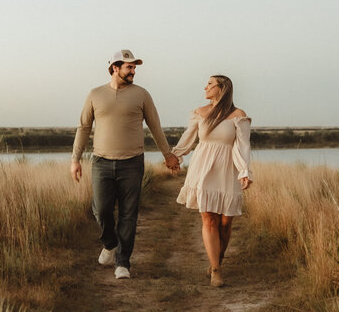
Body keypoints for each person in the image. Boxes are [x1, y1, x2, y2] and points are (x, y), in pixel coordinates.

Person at [71, 49, 181, 279]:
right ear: (115, 68)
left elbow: (155, 127)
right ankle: (110, 244)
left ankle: (123, 262)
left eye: (134, 67)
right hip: (101, 161)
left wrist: (167, 154)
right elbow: (83, 128)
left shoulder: (142, 95)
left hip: (132, 163)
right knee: (101, 210)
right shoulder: (95, 94)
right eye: (129, 67)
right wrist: (75, 160)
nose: (133, 71)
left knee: (129, 214)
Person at [171, 75, 251, 288]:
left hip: (227, 170)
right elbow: (188, 139)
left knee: (226, 222)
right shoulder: (200, 113)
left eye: (209, 84)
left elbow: (243, 146)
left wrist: (244, 171)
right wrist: (175, 157)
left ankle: (218, 259)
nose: (204, 87)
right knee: (209, 219)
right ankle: (216, 270)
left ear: (222, 88)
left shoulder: (238, 116)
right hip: (203, 168)